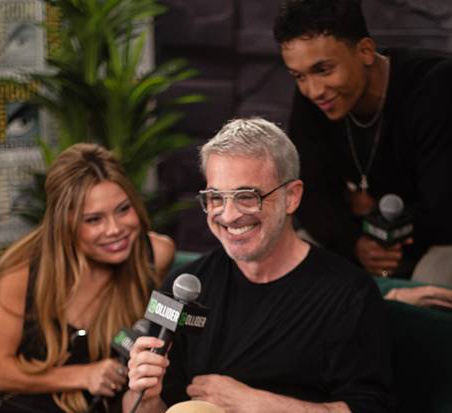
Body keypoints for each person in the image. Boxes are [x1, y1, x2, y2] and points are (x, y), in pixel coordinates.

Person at [126, 118, 392, 412]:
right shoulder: (185, 286)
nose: (228, 216)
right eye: (215, 198)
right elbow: (147, 407)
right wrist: (144, 396)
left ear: (291, 197)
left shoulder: (349, 294)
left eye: (247, 197)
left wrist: (256, 404)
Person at [273, 0, 452, 279]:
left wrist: (373, 217)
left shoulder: (446, 86)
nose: (313, 90)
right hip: (394, 225)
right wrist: (356, 243)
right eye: (298, 76)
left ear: (365, 51)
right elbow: (310, 194)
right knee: (293, 254)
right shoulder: (317, 99)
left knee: (434, 275)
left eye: (324, 70)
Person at [0, 143, 176, 413]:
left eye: (123, 209)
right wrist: (85, 375)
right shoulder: (22, 272)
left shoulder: (155, 254)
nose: (115, 229)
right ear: (64, 224)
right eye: (93, 220)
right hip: (26, 406)